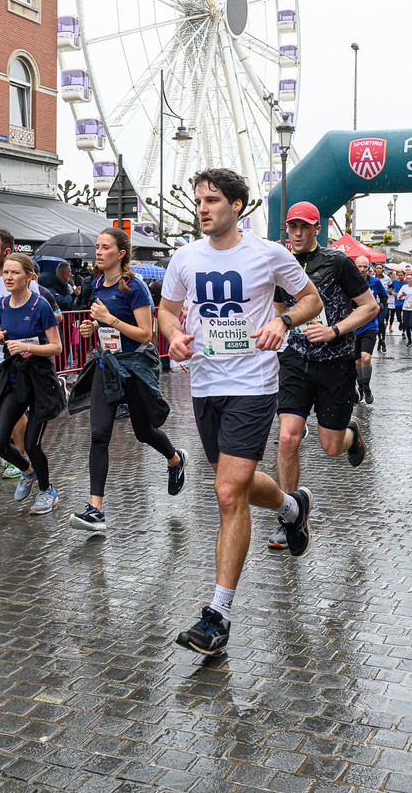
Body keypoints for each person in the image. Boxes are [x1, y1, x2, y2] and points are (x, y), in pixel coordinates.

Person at [158, 168, 321, 656]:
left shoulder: (269, 254)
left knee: (227, 492)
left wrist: (283, 320)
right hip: (205, 385)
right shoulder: (184, 258)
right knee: (240, 485)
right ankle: (293, 508)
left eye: (211, 200)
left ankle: (218, 616)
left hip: (253, 383)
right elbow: (168, 309)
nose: (202, 208)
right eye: (198, 200)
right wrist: (173, 335)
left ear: (237, 205)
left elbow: (309, 299)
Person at [265, 206, 376, 549]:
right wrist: (281, 331)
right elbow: (279, 307)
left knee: (330, 448)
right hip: (297, 362)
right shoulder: (282, 265)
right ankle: (290, 516)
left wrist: (335, 330)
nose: (297, 233)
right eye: (292, 227)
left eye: (304, 227)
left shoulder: (338, 262)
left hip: (336, 363)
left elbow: (369, 306)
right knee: (287, 439)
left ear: (318, 229)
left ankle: (351, 433)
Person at [66, 228, 186, 532]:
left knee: (144, 431)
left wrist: (110, 320)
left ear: (120, 253)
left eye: (105, 247)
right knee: (99, 433)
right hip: (106, 365)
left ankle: (174, 459)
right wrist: (91, 328)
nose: (98, 252)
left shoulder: (135, 287)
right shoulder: (95, 284)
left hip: (134, 366)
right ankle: (95, 510)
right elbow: (101, 323)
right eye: (97, 246)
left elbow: (146, 334)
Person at [0, 254, 65, 514]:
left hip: (40, 379)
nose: (8, 277)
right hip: (14, 378)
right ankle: (27, 471)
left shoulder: (40, 305)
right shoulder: (1, 304)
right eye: (6, 273)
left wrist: (27, 346)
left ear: (29, 277)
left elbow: (57, 347)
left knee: (32, 444)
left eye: (15, 273)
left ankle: (47, 491)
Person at [0, 229, 46, 480]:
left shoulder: (26, 280)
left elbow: (39, 313)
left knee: (11, 412)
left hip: (14, 358)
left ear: (6, 252)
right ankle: (13, 451)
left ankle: (20, 459)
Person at [355, 255, 388, 399]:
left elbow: (384, 297)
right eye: (360, 267)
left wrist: (380, 306)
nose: (362, 270)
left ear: (369, 267)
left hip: (370, 326)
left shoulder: (375, 282)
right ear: (355, 266)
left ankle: (367, 387)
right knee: (357, 361)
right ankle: (360, 387)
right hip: (354, 326)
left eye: (365, 267)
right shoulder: (350, 281)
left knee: (366, 357)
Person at [399, 271, 412, 346]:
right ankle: (410, 341)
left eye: (410, 278)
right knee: (407, 326)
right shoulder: (404, 287)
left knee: (411, 325)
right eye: (407, 279)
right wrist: (402, 295)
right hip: (406, 308)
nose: (409, 280)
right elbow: (398, 298)